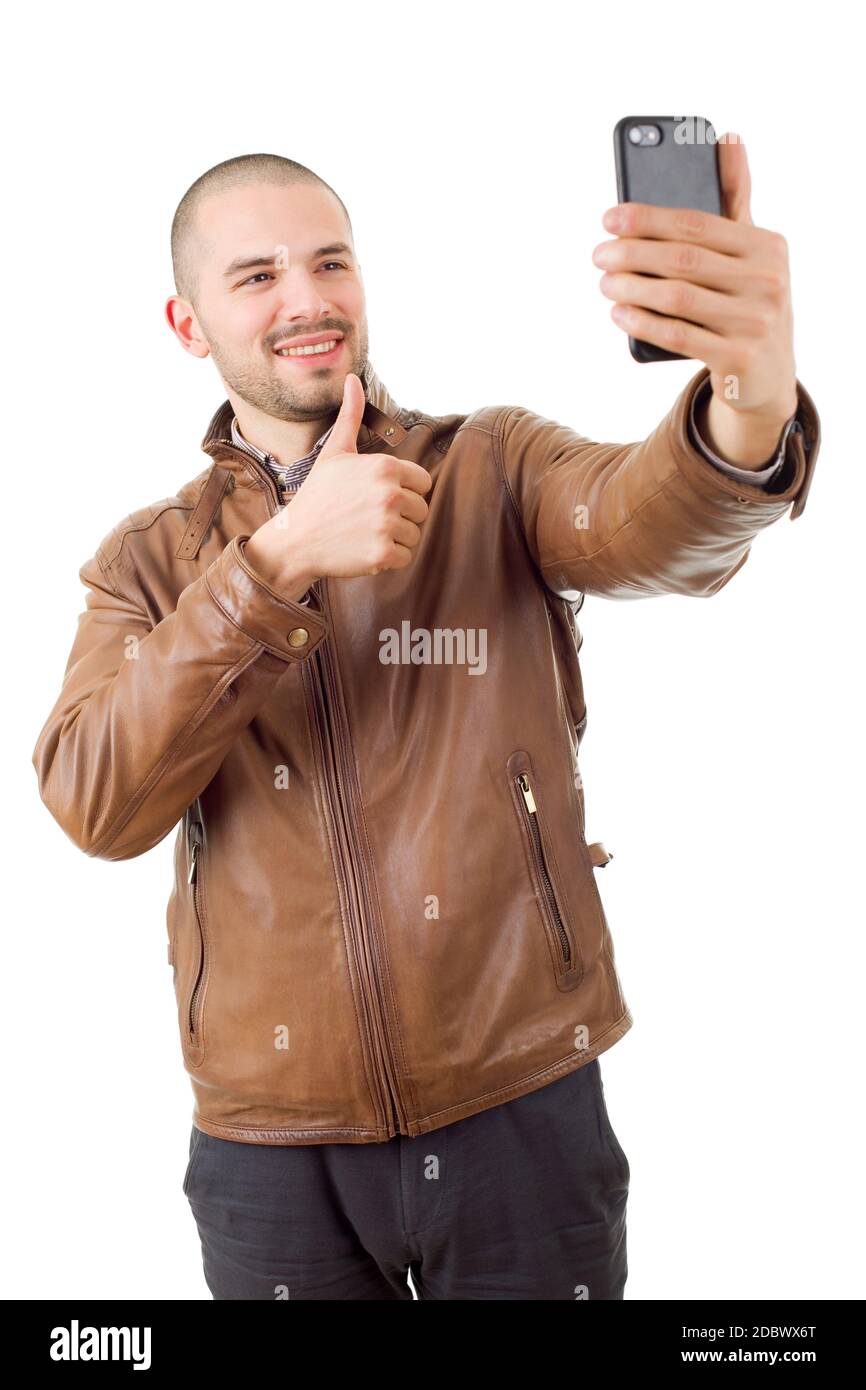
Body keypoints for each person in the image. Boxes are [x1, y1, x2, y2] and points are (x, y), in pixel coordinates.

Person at [31, 148, 820, 1300]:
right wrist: (272, 565)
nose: (307, 298)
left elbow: (651, 522)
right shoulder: (146, 563)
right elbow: (95, 802)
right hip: (267, 1143)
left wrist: (748, 399)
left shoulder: (489, 467)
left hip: (521, 1102)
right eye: (256, 276)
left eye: (330, 262)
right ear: (187, 323)